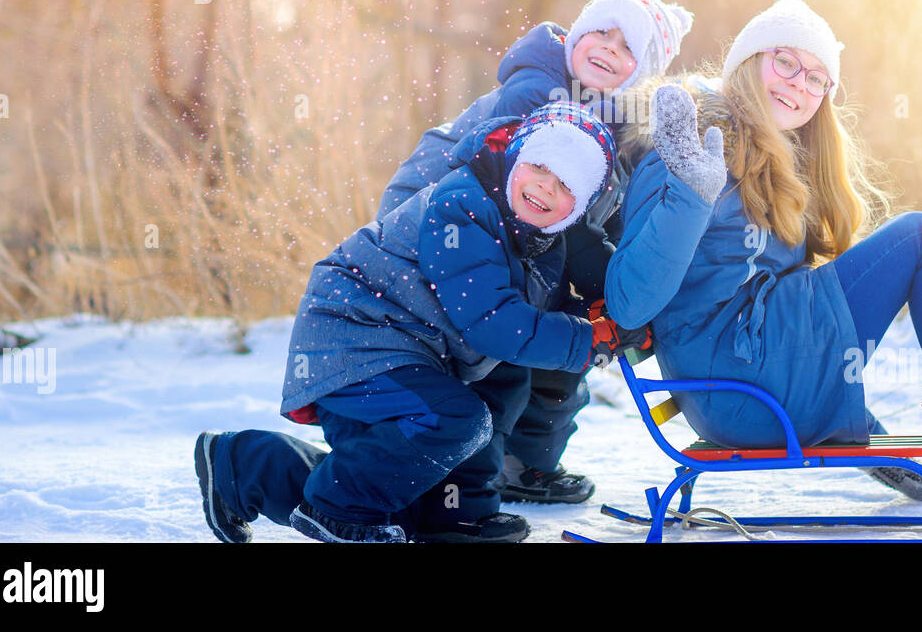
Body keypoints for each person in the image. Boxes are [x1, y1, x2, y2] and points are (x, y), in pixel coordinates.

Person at [603, 0, 922, 514]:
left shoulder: (774, 164)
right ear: (746, 63)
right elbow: (628, 303)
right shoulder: (687, 147)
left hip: (750, 383)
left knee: (921, 242)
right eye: (785, 62)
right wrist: (691, 190)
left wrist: (863, 432)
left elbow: (786, 301)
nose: (800, 83)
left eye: (818, 78)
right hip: (738, 384)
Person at [195, 103, 646, 542]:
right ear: (515, 157)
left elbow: (588, 287)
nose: (546, 187)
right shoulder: (464, 206)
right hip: (357, 336)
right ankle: (338, 510)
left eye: (567, 184)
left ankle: (447, 513)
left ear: (580, 204)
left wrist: (623, 319)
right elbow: (493, 322)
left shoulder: (550, 235)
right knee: (453, 420)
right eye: (540, 167)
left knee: (477, 409)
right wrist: (589, 340)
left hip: (417, 353)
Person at [379, 0, 693, 506]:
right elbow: (536, 207)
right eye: (601, 32)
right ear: (575, 35)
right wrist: (604, 287)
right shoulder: (535, 94)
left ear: (641, 74)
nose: (609, 48)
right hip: (433, 228)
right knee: (510, 334)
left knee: (567, 329)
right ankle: (463, 475)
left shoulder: (617, 123)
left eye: (627, 47)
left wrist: (615, 290)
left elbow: (590, 216)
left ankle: (520, 463)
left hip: (514, 237)